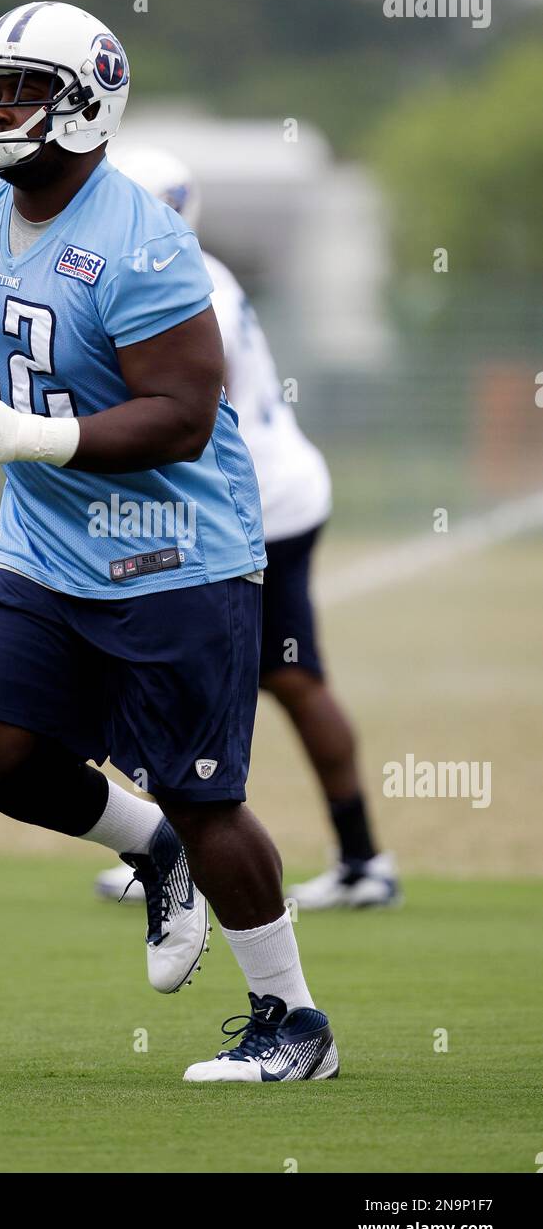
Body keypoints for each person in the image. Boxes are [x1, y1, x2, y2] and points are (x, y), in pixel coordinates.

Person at [0, 1, 338, 1082]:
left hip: (173, 552)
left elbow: (182, 416)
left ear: (85, 103)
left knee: (208, 798)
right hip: (49, 552)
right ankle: (142, 841)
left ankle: (294, 1021)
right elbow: (0, 357)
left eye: (22, 89)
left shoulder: (146, 240)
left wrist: (32, 438)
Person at [94, 147, 399, 911]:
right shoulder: (191, 271)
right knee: (277, 677)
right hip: (273, 493)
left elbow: (188, 417)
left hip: (245, 505)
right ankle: (354, 858)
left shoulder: (183, 283)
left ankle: (185, 854)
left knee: (201, 671)